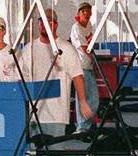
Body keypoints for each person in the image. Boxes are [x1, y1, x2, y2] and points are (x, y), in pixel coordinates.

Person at [24, 9, 92, 137]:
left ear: (55, 24)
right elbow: (22, 76)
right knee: (35, 154)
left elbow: (77, 77)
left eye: (49, 22)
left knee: (56, 154)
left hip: (57, 115)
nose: (45, 25)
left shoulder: (66, 48)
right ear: (38, 24)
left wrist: (82, 102)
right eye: (42, 22)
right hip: (34, 114)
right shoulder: (29, 48)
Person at [69, 2, 98, 130]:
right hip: (80, 67)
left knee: (93, 98)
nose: (86, 13)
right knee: (83, 98)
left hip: (88, 66)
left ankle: (87, 123)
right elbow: (84, 46)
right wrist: (94, 57)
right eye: (83, 11)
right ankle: (82, 126)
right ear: (78, 14)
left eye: (88, 11)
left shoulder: (89, 26)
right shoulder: (76, 28)